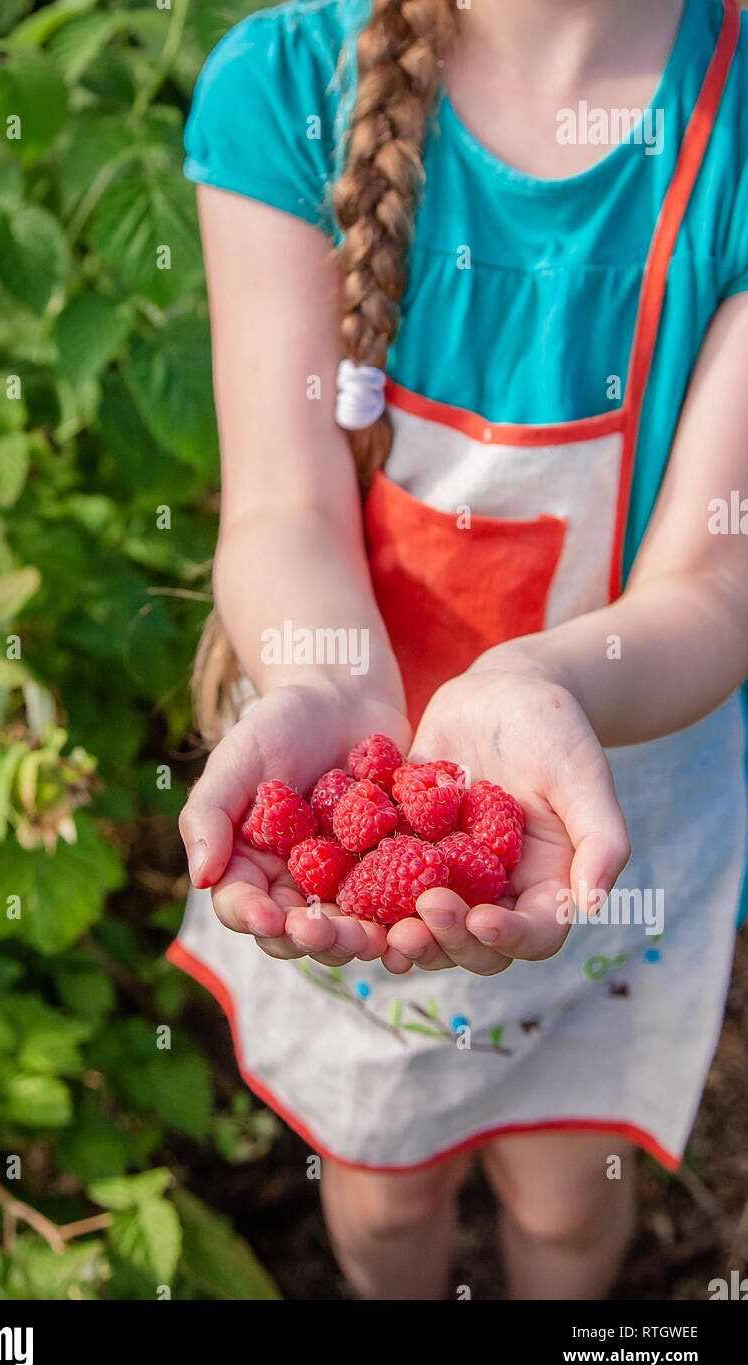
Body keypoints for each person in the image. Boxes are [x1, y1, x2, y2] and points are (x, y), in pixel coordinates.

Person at [174, 0, 748, 1299]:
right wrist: (324, 678)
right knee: (380, 1194)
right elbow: (278, 508)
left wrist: (536, 680)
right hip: (353, 775)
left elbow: (715, 581)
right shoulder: (288, 91)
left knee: (562, 1205)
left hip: (616, 806)